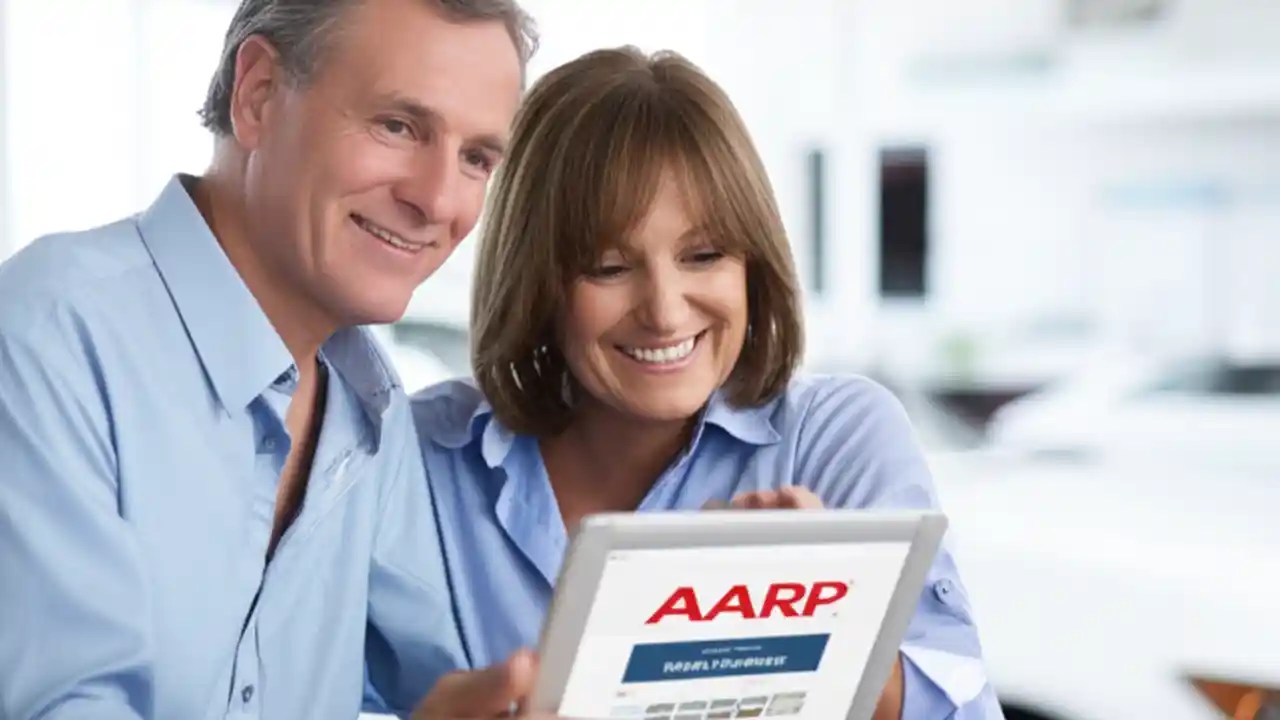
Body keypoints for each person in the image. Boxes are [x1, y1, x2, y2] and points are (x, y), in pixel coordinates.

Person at [410, 47, 1005, 718]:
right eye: (608, 266)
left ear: (753, 263)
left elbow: (964, 706)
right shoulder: (422, 464)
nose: (665, 310)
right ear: (537, 282)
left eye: (704, 256)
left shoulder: (836, 439)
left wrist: (825, 627)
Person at [0, 0, 544, 717]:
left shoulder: (367, 399)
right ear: (257, 95)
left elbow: (445, 689)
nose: (438, 200)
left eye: (476, 158)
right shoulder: (51, 332)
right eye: (397, 126)